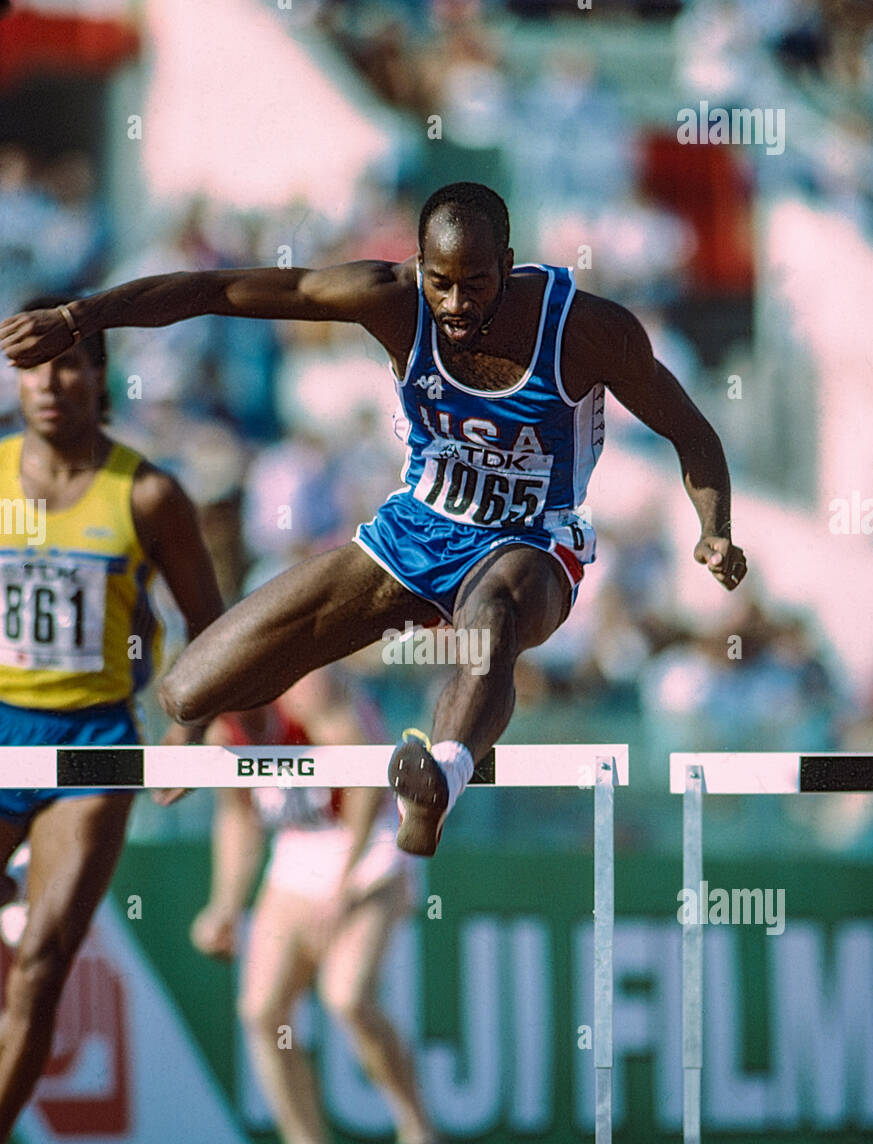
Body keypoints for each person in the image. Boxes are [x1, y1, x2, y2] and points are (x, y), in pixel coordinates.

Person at [0, 182, 748, 858]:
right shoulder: (387, 297)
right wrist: (77, 317)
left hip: (532, 538)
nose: (454, 306)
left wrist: (712, 527)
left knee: (489, 617)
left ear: (509, 263)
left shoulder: (587, 330)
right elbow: (219, 288)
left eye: (476, 286)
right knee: (187, 691)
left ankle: (435, 780)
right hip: (414, 530)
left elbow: (692, 431)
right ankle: (254, 725)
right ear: (415, 263)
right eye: (440, 283)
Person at [0, 296, 224, 1144]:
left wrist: (187, 730)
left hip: (93, 742)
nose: (51, 383)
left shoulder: (150, 494)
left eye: (69, 363)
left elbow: (213, 629)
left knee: (45, 965)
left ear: (99, 377)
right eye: (34, 365)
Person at [192, 668, 467, 1144]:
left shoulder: (307, 689)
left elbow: (367, 780)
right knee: (262, 1010)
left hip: (371, 852)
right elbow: (238, 818)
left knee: (348, 998)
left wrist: (340, 888)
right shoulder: (223, 729)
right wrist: (225, 904)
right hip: (298, 857)